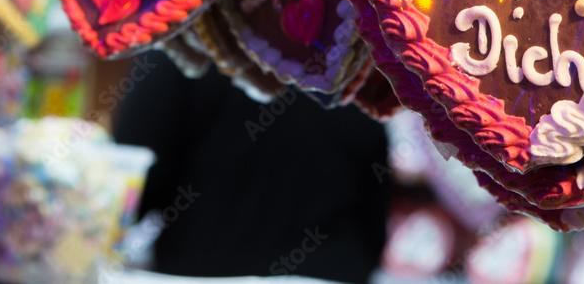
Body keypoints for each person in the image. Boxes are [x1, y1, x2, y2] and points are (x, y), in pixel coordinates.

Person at [114, 49, 389, 283]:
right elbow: (374, 205)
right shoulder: (357, 44)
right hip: (327, 271)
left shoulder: (186, 36)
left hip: (204, 269)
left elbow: (132, 184)